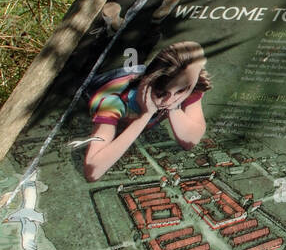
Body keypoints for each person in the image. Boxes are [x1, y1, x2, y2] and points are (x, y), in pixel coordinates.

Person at [82, 41, 211, 183]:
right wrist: (145, 116)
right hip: (102, 81)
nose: (169, 101)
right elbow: (92, 171)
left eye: (181, 90)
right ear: (147, 83)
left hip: (139, 71)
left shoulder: (191, 85)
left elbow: (190, 140)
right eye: (162, 93)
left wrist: (174, 108)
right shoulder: (113, 100)